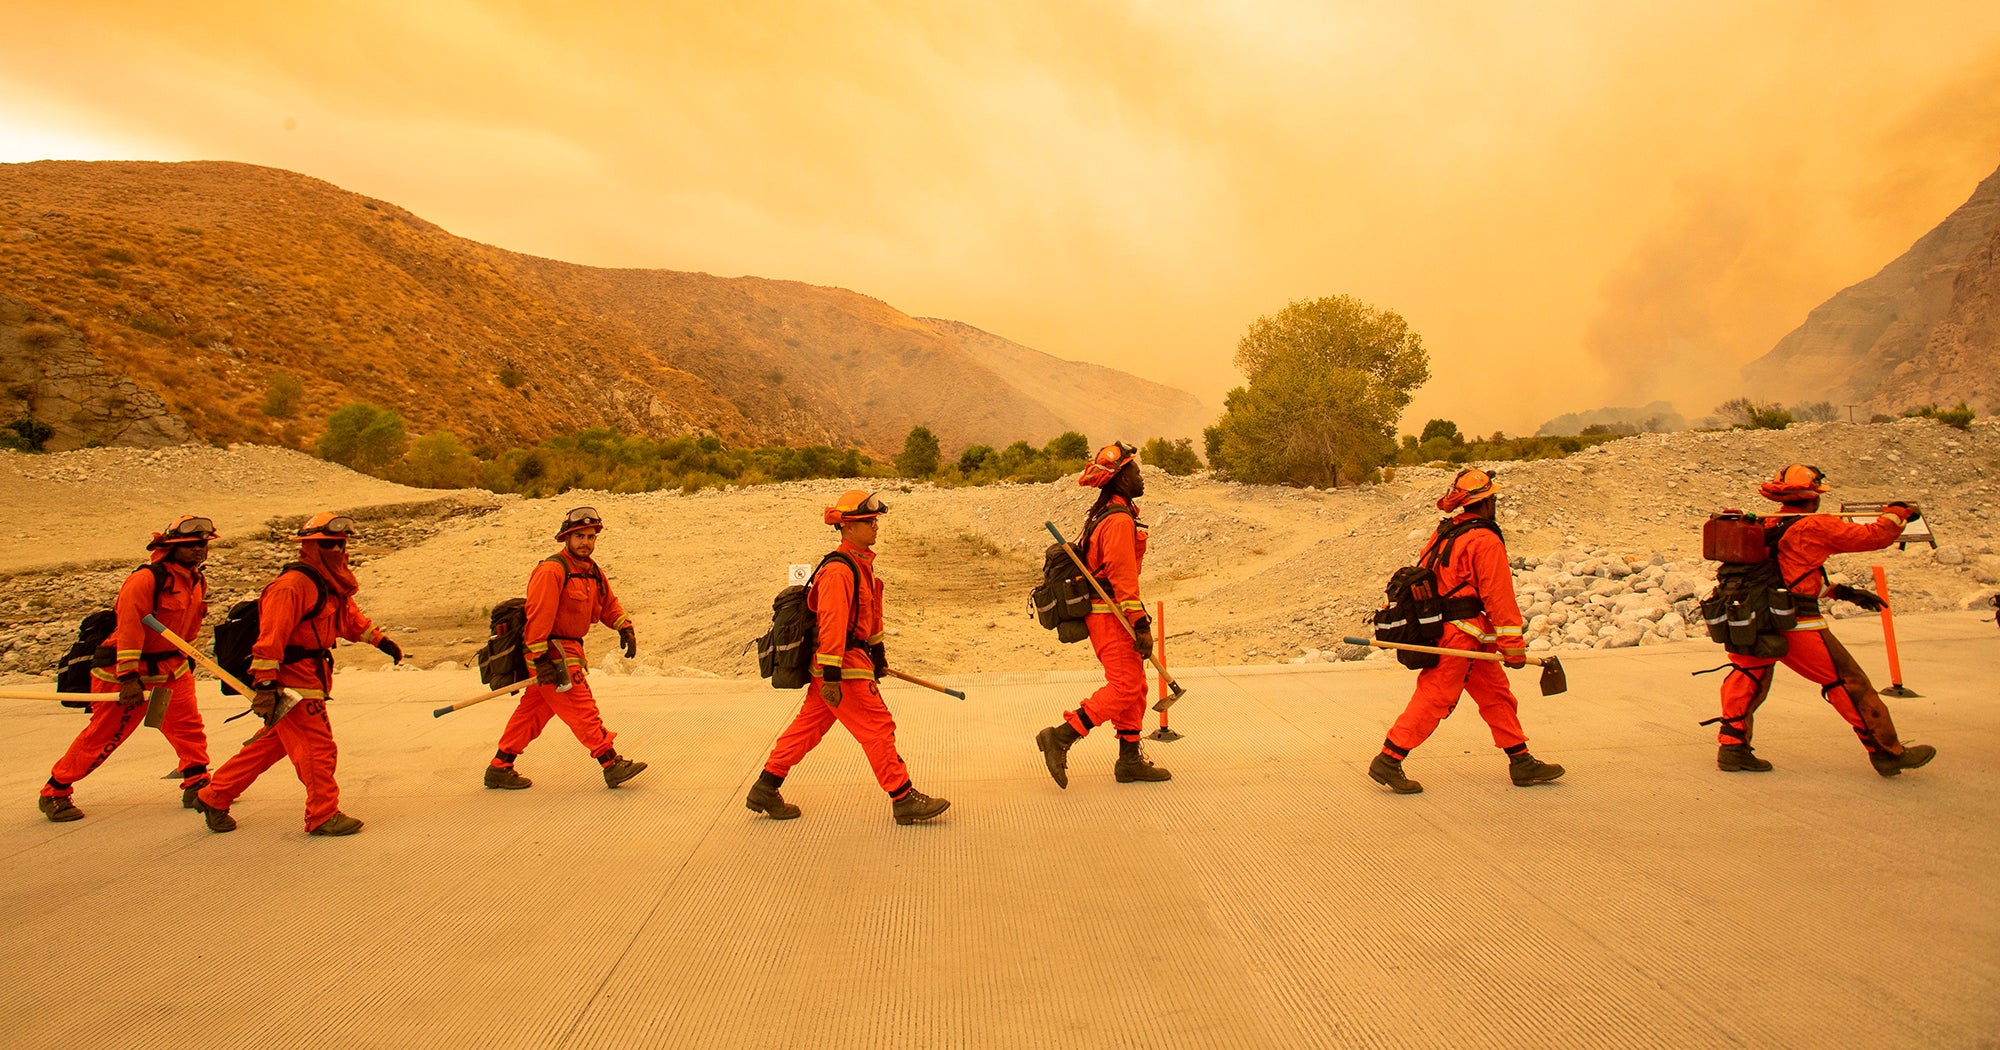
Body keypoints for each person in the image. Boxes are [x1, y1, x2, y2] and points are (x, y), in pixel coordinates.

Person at [1708, 464, 1935, 777]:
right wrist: (1896, 514)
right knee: (1847, 680)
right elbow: (1875, 536)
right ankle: (1887, 752)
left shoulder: (1767, 522)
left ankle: (1732, 747)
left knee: (1748, 676)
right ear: (1813, 496)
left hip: (1753, 615)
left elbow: (1787, 572)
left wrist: (1841, 592)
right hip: (1795, 621)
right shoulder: (1815, 525)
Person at [745, 490, 950, 825]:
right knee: (878, 726)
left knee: (807, 727)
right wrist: (832, 677)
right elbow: (832, 624)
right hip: (841, 664)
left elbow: (870, 616)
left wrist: (879, 654)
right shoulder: (840, 571)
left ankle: (765, 787)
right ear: (848, 528)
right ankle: (903, 797)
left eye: (874, 521)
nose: (875, 526)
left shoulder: (860, 564)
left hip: (847, 661)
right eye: (867, 521)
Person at [192, 513, 402, 836]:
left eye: (341, 544)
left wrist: (380, 640)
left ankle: (214, 795)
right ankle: (322, 814)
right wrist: (265, 686)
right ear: (309, 546)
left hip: (312, 676)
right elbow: (270, 639)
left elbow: (347, 618)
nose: (338, 549)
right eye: (329, 543)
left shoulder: (328, 583)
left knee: (273, 745)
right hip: (293, 680)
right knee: (319, 748)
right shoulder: (291, 587)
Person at [1368, 468, 1565, 794]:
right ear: (1486, 503)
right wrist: (1513, 645)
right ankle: (1389, 758)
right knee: (1436, 696)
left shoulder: (1446, 532)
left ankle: (1521, 760)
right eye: (1493, 498)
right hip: (1462, 633)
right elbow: (1498, 595)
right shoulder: (1484, 540)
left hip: (1462, 631)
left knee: (1495, 694)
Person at [38, 516, 216, 822]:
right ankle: (55, 790)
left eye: (203, 544)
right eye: (190, 545)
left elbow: (189, 626)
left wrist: (184, 661)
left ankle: (196, 781)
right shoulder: (146, 580)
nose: (199, 550)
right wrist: (128, 677)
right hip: (124, 671)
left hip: (171, 668)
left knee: (187, 727)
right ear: (171, 548)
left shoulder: (196, 580)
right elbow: (130, 629)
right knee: (105, 735)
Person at [1034, 442, 1171, 788]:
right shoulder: (1118, 521)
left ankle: (1128, 760)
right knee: (1124, 686)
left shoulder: (1109, 512)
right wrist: (1140, 624)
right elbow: (1123, 578)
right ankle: (1062, 735)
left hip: (1110, 612)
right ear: (1121, 478)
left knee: (1135, 686)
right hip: (1111, 616)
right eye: (1135, 471)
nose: (1140, 476)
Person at [484, 507, 647, 790]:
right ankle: (610, 762)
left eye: (591, 537)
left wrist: (624, 627)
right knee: (581, 707)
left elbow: (609, 603)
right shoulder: (551, 570)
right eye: (580, 536)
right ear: (566, 539)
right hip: (552, 653)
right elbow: (539, 616)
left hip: (568, 650)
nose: (586, 542)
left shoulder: (592, 571)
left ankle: (500, 767)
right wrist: (541, 659)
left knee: (532, 713)